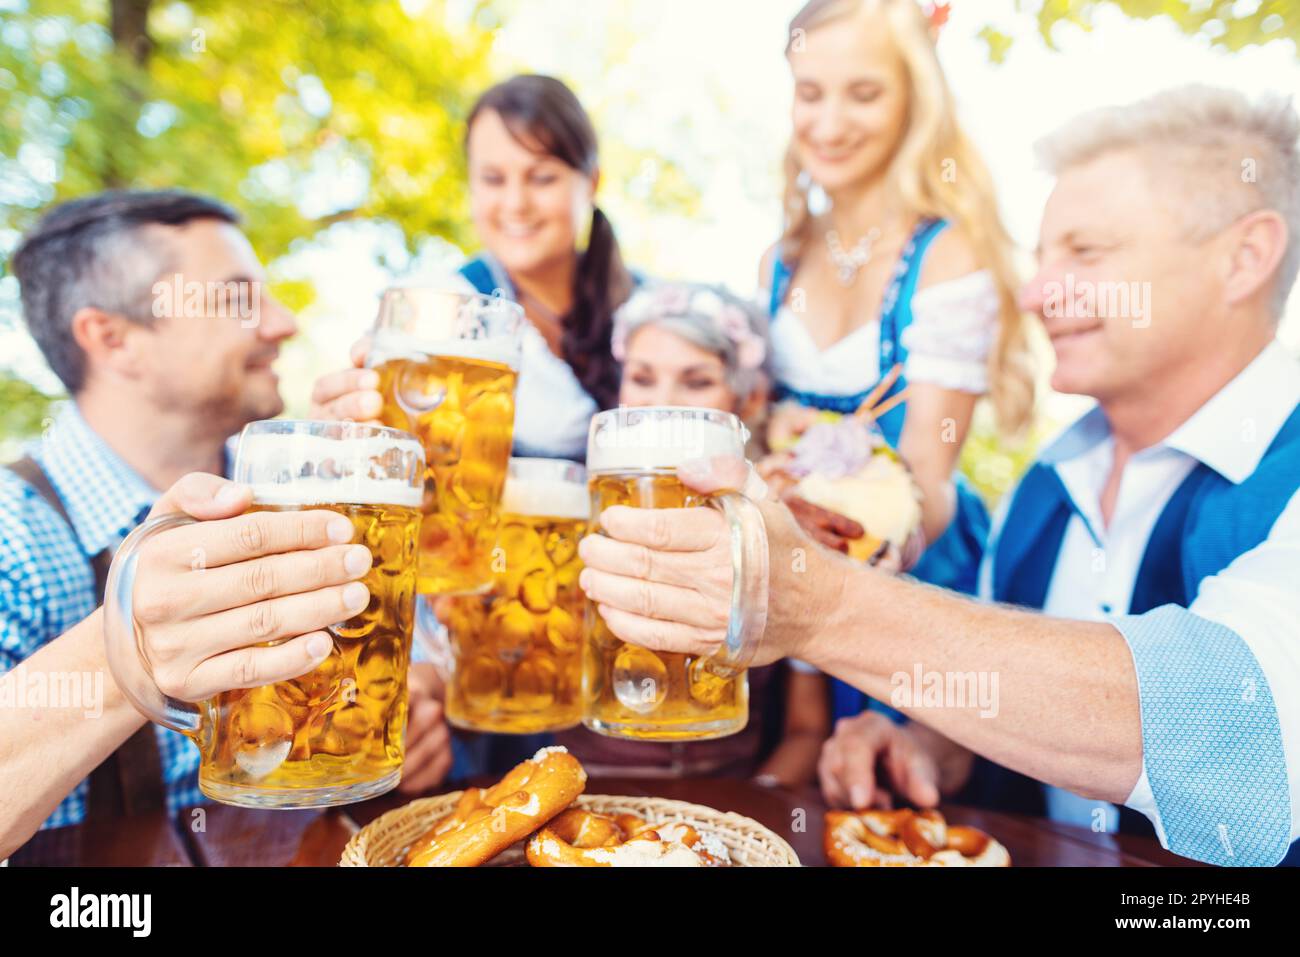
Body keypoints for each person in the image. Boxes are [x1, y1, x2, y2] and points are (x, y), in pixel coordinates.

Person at [575, 84, 1300, 866]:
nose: (1033, 292)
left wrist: (818, 605)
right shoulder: (1045, 491)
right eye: (1042, 254)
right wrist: (925, 739)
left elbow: (1235, 715)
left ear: (1244, 257)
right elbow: (1025, 711)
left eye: (1086, 253)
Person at [0, 191, 450, 854]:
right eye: (240, 299)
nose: (284, 323)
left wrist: (413, 690)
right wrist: (126, 652)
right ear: (113, 338)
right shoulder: (15, 537)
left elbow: (435, 648)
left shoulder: (318, 486)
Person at [759, 0, 1036, 726]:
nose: (828, 122)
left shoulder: (947, 255)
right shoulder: (778, 262)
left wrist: (868, 556)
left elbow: (930, 476)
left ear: (915, 99)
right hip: (791, 588)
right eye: (810, 92)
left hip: (914, 588)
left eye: (864, 92)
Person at [550, 282, 832, 785]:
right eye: (641, 378)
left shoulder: (780, 521)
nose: (661, 403)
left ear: (748, 401)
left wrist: (753, 809)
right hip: (581, 800)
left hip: (723, 811)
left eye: (697, 382)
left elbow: (807, 729)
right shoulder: (563, 509)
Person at [311, 74, 638, 461]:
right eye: (493, 179)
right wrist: (346, 427)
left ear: (592, 183)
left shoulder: (656, 307)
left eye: (542, 178)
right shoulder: (437, 308)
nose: (516, 203)